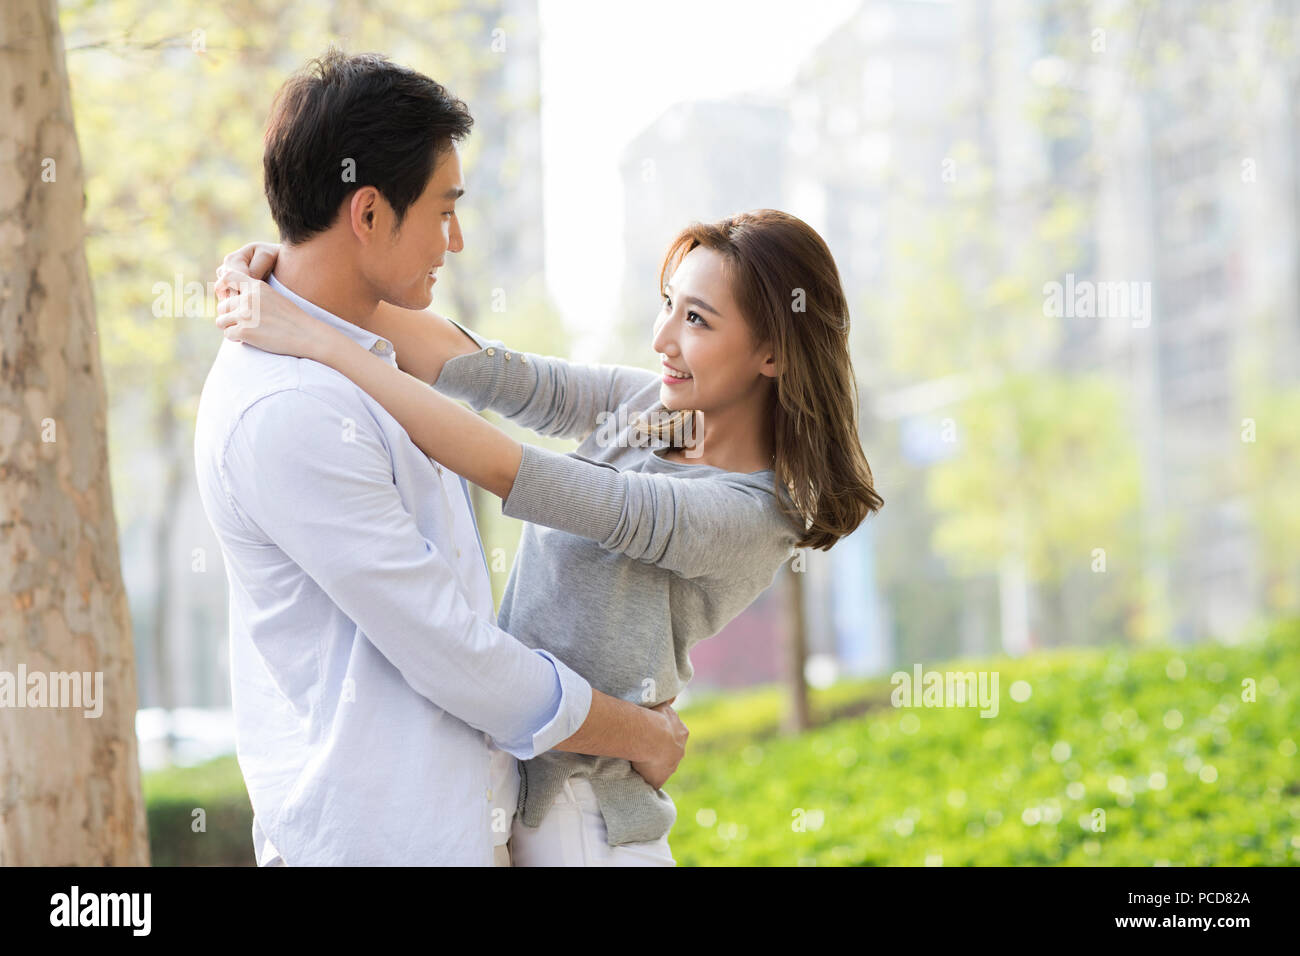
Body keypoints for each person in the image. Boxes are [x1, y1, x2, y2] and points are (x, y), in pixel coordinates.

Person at [213, 204, 886, 865]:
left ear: (771, 354)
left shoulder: (745, 515)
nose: (663, 339)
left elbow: (512, 470)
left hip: (587, 823)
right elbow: (482, 369)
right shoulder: (652, 409)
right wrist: (290, 287)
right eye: (668, 304)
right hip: (534, 805)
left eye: (697, 320)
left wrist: (318, 341)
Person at [193, 48, 688, 867]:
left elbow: (539, 386)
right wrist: (641, 731)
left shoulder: (349, 353)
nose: (454, 241)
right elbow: (455, 654)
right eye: (443, 209)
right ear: (368, 213)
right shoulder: (289, 409)